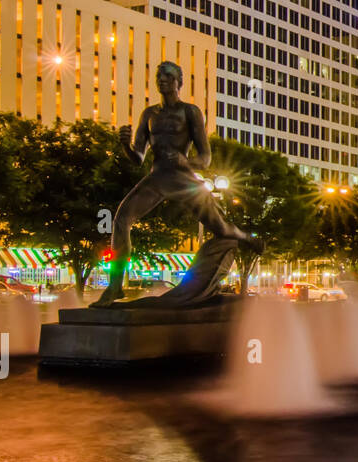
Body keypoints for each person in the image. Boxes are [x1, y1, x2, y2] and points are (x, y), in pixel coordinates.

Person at [91, 61, 260, 308]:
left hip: (183, 179)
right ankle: (115, 286)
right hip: (158, 177)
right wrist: (125, 146)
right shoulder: (149, 114)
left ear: (179, 82)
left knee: (222, 229)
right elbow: (138, 158)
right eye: (159, 77)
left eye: (168, 77)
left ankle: (247, 237)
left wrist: (184, 160)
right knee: (121, 219)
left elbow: (205, 158)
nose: (162, 81)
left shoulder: (190, 112)